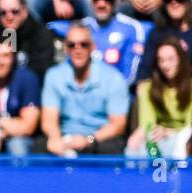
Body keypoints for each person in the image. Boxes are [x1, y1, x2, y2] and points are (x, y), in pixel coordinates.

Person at [42, 23, 130, 154]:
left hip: (97, 139)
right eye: (72, 45)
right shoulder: (54, 75)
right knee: (38, 147)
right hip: (65, 137)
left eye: (84, 44)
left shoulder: (113, 78)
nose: (78, 50)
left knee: (112, 148)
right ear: (66, 48)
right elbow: (49, 118)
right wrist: (55, 139)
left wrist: (88, 140)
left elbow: (118, 125)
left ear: (92, 47)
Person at [128, 37, 192, 153]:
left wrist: (169, 132)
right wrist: (135, 140)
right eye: (161, 60)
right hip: (157, 138)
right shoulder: (148, 88)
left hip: (188, 139)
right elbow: (147, 124)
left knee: (174, 145)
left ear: (181, 60)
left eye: (171, 59)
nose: (165, 65)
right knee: (136, 148)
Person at [0, 0, 58, 80]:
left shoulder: (39, 34)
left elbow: (40, 69)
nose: (9, 17)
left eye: (15, 12)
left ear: (25, 11)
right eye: (3, 13)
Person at [138, 0, 192, 80]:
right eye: (168, 0)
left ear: (188, 3)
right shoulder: (156, 34)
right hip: (160, 88)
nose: (174, 2)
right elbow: (144, 71)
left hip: (190, 88)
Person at [83, 0, 148, 85]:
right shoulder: (81, 27)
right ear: (91, 2)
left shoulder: (131, 28)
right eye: (96, 0)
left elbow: (130, 74)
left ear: (115, 2)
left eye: (107, 0)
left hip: (118, 91)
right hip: (84, 91)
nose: (102, 4)